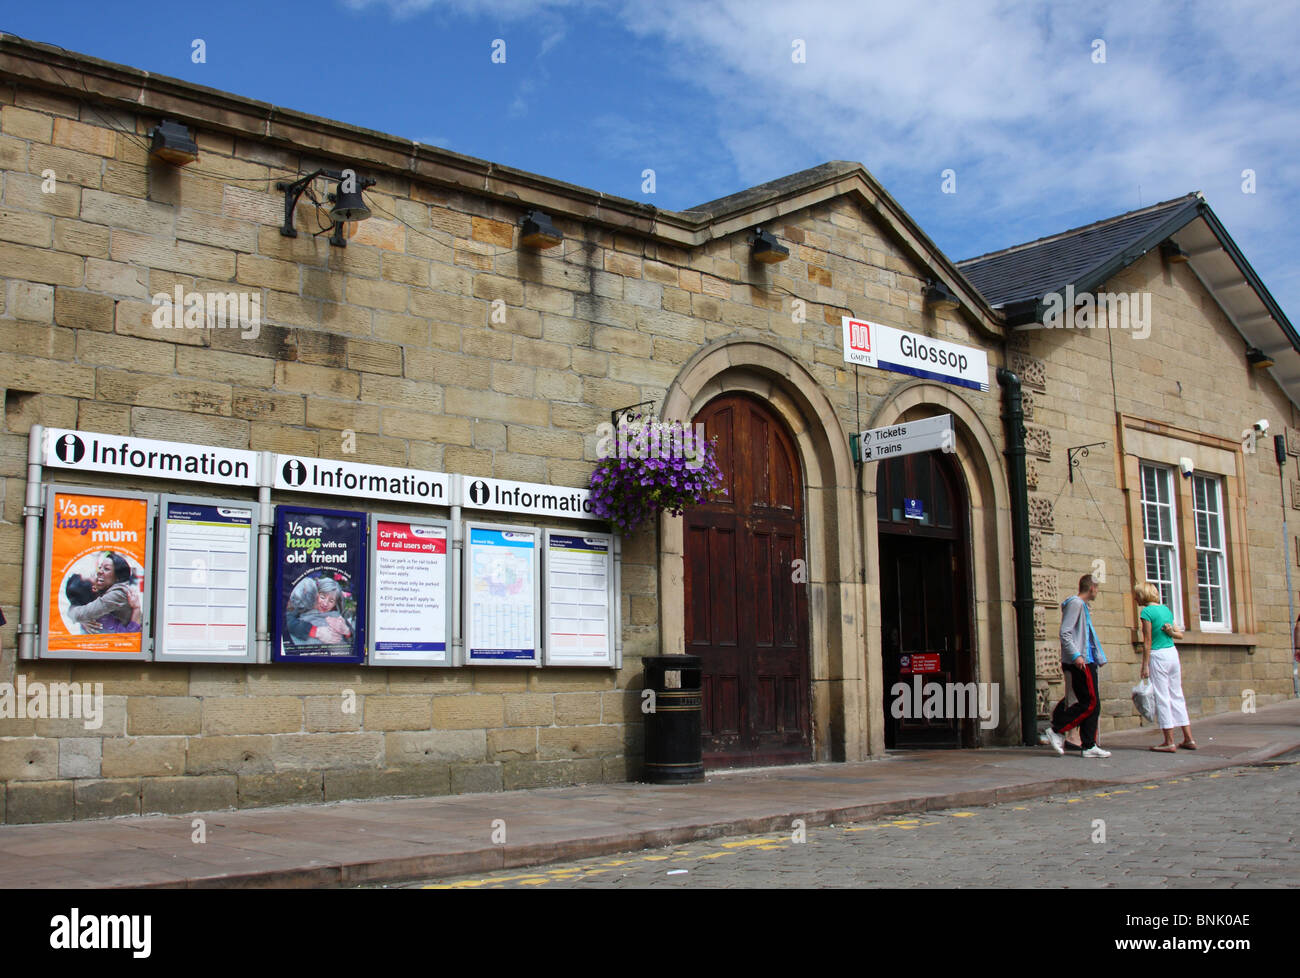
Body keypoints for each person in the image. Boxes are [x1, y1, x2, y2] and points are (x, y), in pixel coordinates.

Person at [1045, 573, 1111, 758]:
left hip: (1087, 659)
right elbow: (1065, 632)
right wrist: (1076, 656)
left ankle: (1089, 745)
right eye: (1097, 588)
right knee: (1089, 703)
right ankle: (1057, 729)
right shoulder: (1076, 604)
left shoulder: (1083, 606)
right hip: (1080, 661)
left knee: (1093, 703)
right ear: (1091, 588)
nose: (1097, 592)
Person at [1135, 581, 1196, 751]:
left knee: (1162, 697)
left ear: (1142, 595)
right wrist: (1170, 632)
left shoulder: (1146, 612)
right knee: (1177, 694)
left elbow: (1147, 641)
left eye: (1136, 595)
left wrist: (1144, 666)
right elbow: (1179, 635)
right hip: (1172, 654)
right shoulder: (1166, 609)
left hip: (1158, 656)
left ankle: (1169, 741)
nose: (1134, 598)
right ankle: (1188, 738)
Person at [65, 552, 141, 633]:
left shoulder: (118, 593)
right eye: (100, 568)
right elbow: (129, 633)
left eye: (106, 568)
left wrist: (82, 618)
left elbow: (80, 612)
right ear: (94, 589)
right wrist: (83, 619)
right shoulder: (103, 616)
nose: (98, 572)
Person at [285, 575, 352, 645]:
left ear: (335, 603)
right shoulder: (304, 605)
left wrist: (347, 632)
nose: (325, 603)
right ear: (316, 594)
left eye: (331, 601)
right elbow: (286, 620)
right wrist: (316, 631)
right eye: (322, 597)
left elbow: (354, 639)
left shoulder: (337, 616)